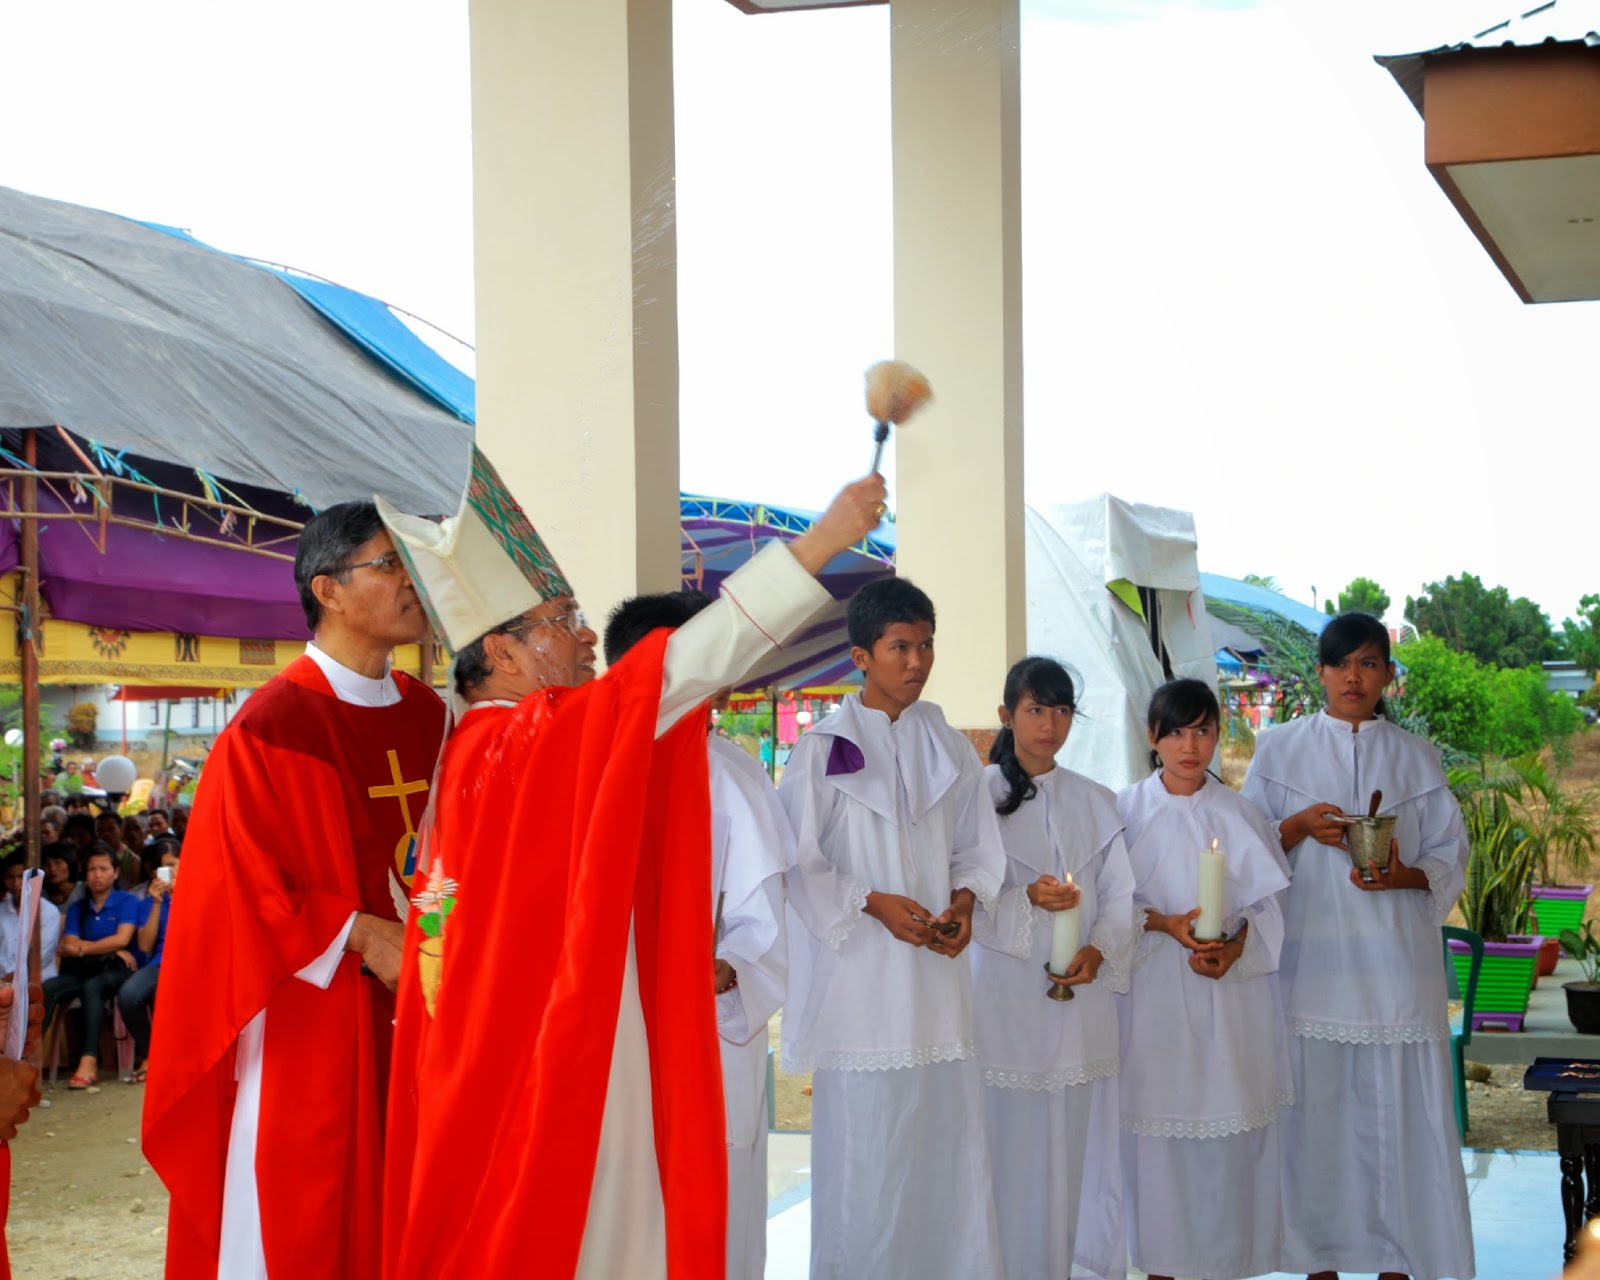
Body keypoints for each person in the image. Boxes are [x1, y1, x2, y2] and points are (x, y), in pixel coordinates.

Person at [380, 450, 884, 1279]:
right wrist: (821, 541)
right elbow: (673, 672)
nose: (585, 636)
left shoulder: (487, 748)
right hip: (544, 1047)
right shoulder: (516, 744)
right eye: (562, 618)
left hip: (526, 1033)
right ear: (502, 652)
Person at [142, 500, 447, 1280]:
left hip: (430, 1003)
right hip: (316, 1015)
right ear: (329, 590)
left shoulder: (430, 716)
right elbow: (234, 886)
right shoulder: (271, 727)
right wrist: (362, 933)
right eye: (389, 563)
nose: (411, 581)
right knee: (311, 1216)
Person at [779, 576, 1007, 1280]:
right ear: (861, 656)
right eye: (900, 647)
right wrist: (873, 902)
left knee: (944, 1154)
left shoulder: (949, 745)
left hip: (937, 992)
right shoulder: (822, 750)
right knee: (868, 1165)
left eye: (926, 645)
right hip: (863, 994)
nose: (917, 662)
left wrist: (963, 905)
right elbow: (799, 865)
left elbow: (976, 847)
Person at [1240, 612, 1475, 1280]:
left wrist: (1403, 875)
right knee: (1317, 1125)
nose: (1353, 677)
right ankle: (1320, 1263)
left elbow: (1449, 854)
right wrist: (1295, 826)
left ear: (1387, 676)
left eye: (1368, 663)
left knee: (1397, 1126)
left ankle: (1398, 1262)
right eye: (1341, 664)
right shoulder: (1278, 750)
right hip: (1311, 967)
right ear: (1319, 672)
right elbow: (1245, 848)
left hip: (1395, 968)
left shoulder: (1416, 758)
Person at [603, 592, 792, 1280]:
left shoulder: (733, 776)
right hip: (609, 1036)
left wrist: (728, 967)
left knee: (711, 1216)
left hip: (702, 1034)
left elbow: (764, 927)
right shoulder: (589, 762)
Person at [1115, 678, 1292, 1280]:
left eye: (1203, 731)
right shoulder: (1124, 813)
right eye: (1176, 732)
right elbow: (1107, 909)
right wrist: (1165, 924)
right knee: (1158, 1148)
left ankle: (1225, 1265)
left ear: (1218, 736)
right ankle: (1161, 1267)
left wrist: (1236, 947)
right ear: (1152, 737)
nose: (1190, 747)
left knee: (1227, 1147)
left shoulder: (1241, 814)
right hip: (1154, 1000)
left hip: (1230, 1004)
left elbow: (1271, 908)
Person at [970, 657, 1134, 1280]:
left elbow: (1119, 895)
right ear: (1006, 715)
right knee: (1003, 1146)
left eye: (1062, 711)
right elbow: (960, 897)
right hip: (1002, 1000)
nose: (1049, 725)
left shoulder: (1095, 800)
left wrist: (1100, 949)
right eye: (1036, 710)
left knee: (1070, 1149)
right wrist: (1024, 899)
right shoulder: (975, 797)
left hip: (1080, 1005)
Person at [42, 845, 140, 1089]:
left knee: (92, 987)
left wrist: (87, 948)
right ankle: (28, 1057)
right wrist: (107, 947)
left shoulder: (127, 901)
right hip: (84, 968)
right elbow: (69, 944)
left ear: (116, 872)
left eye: (103, 869)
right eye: (92, 869)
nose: (97, 874)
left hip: (117, 970)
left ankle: (89, 1061)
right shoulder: (79, 907)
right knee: (48, 988)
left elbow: (122, 939)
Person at [119, 841, 178, 1084]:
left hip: (194, 963)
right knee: (128, 995)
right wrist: (157, 903)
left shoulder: (200, 893)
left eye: (173, 865)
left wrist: (180, 895)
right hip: (161, 963)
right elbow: (144, 945)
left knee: (161, 995)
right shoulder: (150, 902)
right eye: (162, 868)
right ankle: (150, 1054)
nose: (169, 872)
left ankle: (169, 1059)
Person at [0, 851, 60, 984]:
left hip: (39, 982)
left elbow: (39, 958)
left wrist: (6, 981)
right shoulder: (1, 910)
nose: (15, 883)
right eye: (10, 877)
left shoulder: (48, 912)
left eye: (21, 877)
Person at [40, 844, 82, 911]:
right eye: (46, 864)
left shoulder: (84, 891)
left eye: (58, 862)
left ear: (70, 864)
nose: (52, 869)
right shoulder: (39, 897)